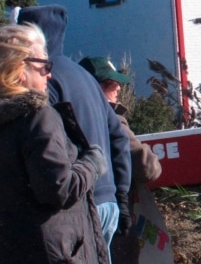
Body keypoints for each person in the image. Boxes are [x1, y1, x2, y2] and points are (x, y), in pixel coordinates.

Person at [0, 24, 109, 263]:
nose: (49, 74)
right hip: (45, 249)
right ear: (19, 68)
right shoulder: (35, 115)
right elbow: (57, 189)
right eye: (44, 66)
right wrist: (91, 164)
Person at [16, 5, 132, 257]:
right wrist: (121, 195)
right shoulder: (86, 76)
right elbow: (119, 137)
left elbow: (46, 142)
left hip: (80, 200)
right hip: (108, 197)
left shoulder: (43, 78)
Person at [78, 57, 163, 264]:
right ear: (98, 87)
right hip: (114, 217)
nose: (118, 88)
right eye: (111, 83)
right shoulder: (113, 120)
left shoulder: (73, 116)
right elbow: (148, 168)